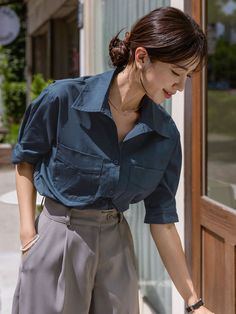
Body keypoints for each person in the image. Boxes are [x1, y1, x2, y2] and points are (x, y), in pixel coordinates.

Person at [11, 6, 214, 314]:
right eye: (176, 72)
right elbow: (25, 159)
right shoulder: (63, 99)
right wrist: (29, 234)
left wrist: (193, 302)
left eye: (187, 76)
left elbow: (164, 221)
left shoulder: (165, 135)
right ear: (142, 56)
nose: (181, 86)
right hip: (58, 237)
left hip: (117, 245)